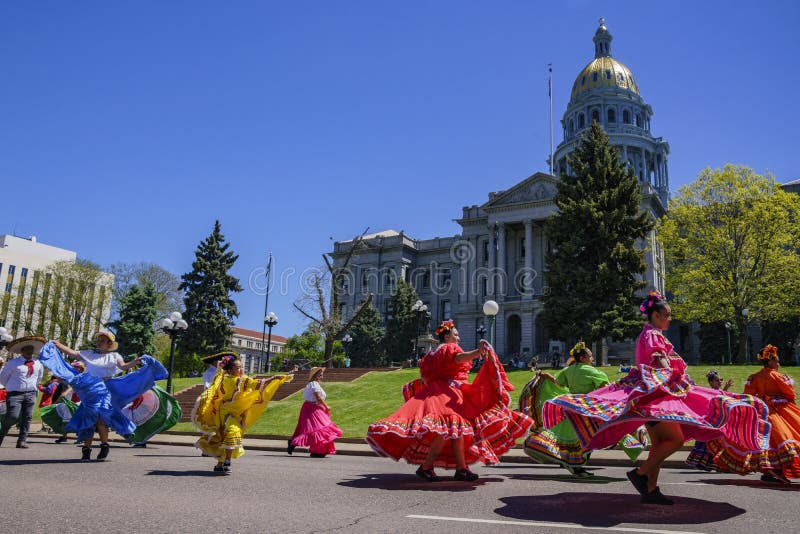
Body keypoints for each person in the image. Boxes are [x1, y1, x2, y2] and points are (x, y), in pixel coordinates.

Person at [543, 291, 770, 505]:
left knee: (662, 443)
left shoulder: (648, 334)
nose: (670, 319)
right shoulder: (652, 334)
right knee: (675, 441)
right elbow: (659, 359)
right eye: (667, 315)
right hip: (657, 398)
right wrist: (671, 373)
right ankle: (640, 474)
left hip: (650, 398)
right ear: (656, 315)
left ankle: (650, 489)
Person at [366, 320, 532, 482]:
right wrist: (478, 351)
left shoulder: (430, 354)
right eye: (456, 334)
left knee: (454, 430)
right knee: (448, 428)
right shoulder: (448, 348)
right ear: (447, 337)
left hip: (436, 392)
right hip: (446, 394)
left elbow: (425, 377)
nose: (458, 338)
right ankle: (428, 467)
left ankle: (460, 468)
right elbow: (459, 358)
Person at [522, 342, 646, 478]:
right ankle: (576, 467)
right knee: (593, 436)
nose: (592, 359)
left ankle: (572, 463)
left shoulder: (568, 370)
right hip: (588, 408)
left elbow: (559, 383)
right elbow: (605, 388)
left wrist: (546, 378)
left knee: (579, 439)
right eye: (590, 356)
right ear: (582, 358)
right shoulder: (592, 372)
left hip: (572, 407)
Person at [709, 344, 800, 483]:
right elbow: (790, 395)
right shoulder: (777, 376)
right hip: (779, 411)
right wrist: (776, 399)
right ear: (769, 361)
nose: (778, 363)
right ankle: (775, 470)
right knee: (783, 436)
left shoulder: (755, 377)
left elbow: (748, 395)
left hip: (762, 412)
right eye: (776, 360)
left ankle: (769, 471)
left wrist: (762, 400)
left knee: (765, 440)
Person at [193, 355, 292, 474]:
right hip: (226, 413)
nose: (241, 370)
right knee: (231, 432)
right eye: (238, 368)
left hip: (233, 411)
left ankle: (221, 464)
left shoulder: (228, 378)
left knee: (224, 436)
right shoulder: (236, 380)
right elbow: (258, 384)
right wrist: (275, 378)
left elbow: (255, 383)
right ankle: (227, 460)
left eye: (242, 367)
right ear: (230, 370)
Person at [52, 331, 144, 461]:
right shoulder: (89, 354)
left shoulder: (114, 356)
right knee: (88, 419)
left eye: (102, 340)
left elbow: (124, 367)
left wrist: (136, 361)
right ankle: (86, 449)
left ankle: (104, 445)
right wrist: (57, 344)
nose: (99, 342)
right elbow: (72, 352)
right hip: (89, 391)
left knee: (101, 419)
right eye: (98, 339)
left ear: (109, 343)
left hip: (105, 390)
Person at [0, 337, 45, 448]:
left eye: (31, 349)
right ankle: (1, 436)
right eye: (26, 349)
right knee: (13, 416)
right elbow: (3, 378)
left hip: (31, 393)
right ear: (22, 351)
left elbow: (39, 377)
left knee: (27, 417)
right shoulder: (13, 363)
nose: (29, 352)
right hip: (15, 394)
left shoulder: (38, 363)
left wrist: (33, 387)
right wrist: (12, 387)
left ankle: (22, 440)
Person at [685, 370, 733, 472]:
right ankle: (706, 463)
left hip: (720, 423)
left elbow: (723, 398)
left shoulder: (721, 391)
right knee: (710, 444)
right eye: (717, 380)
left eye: (721, 379)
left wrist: (726, 388)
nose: (720, 381)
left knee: (718, 444)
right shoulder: (708, 392)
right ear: (711, 383)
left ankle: (715, 465)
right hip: (711, 423)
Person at [288, 367, 342, 458]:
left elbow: (319, 398)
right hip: (311, 408)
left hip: (315, 408)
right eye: (320, 375)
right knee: (317, 428)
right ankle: (314, 449)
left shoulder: (315, 384)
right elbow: (318, 397)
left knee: (318, 428)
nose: (322, 376)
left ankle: (318, 450)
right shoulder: (313, 384)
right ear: (315, 375)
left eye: (322, 375)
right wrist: (326, 406)